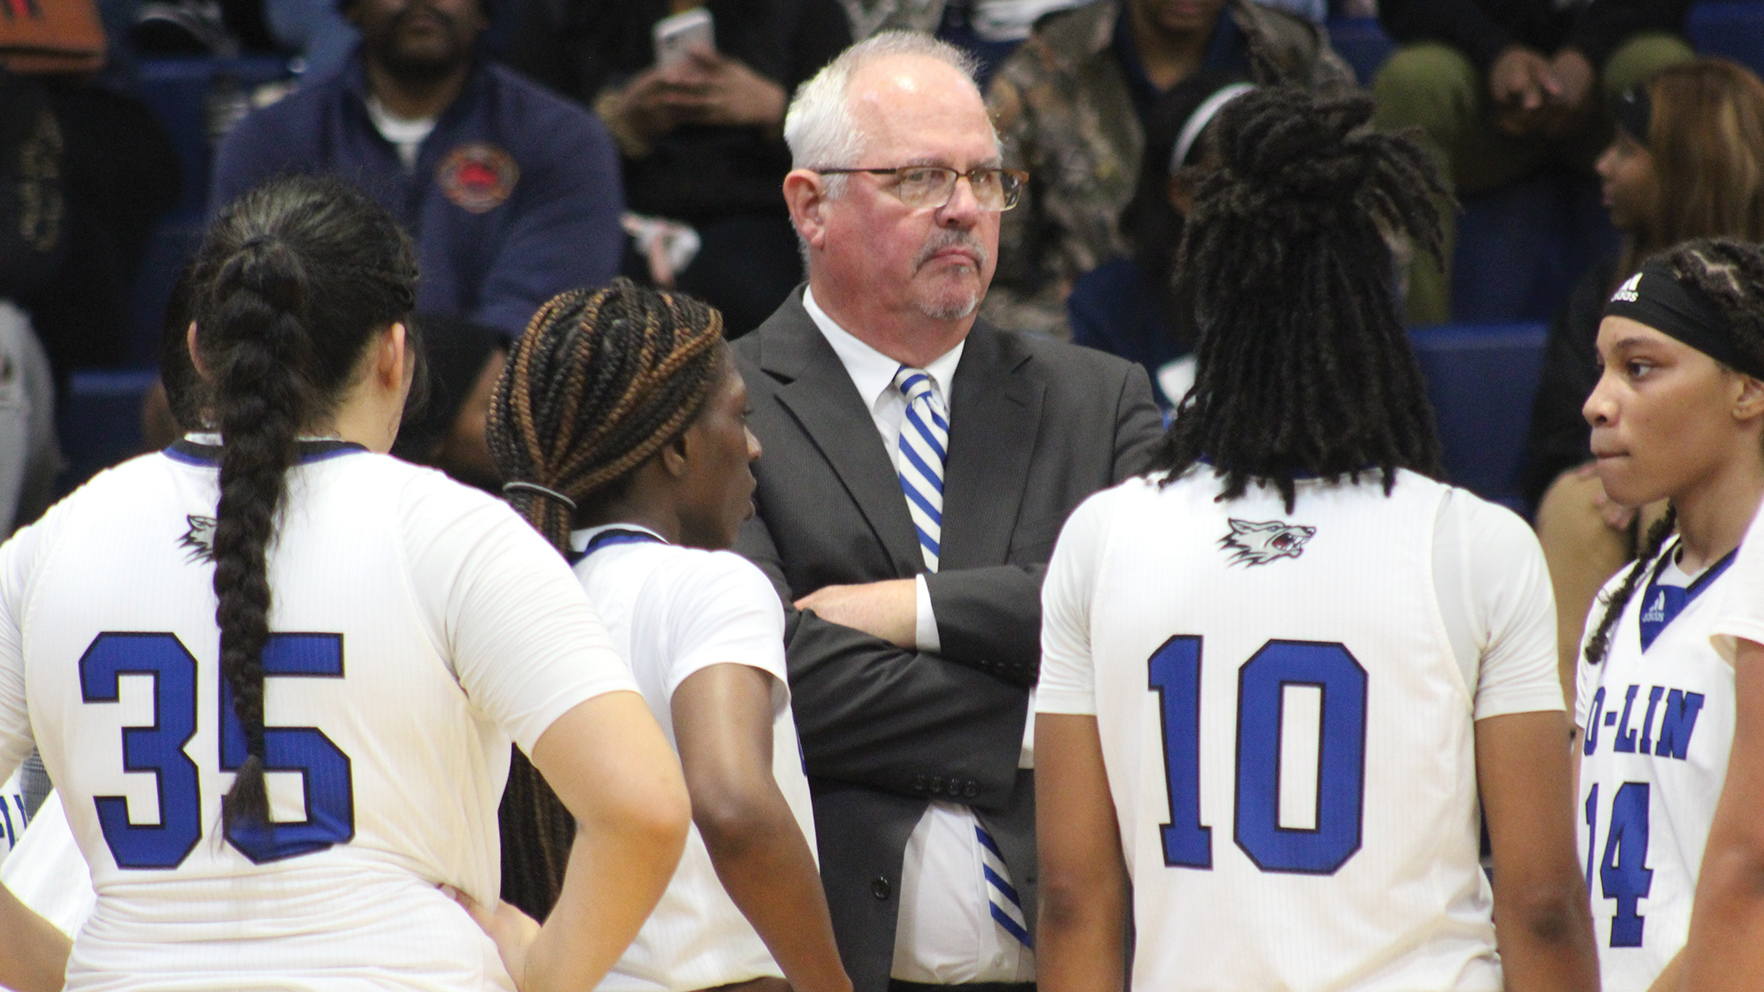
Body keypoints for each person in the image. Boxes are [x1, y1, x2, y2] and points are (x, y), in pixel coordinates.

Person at [0, 173, 690, 992]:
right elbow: (644, 807)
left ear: (199, 351)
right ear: (395, 353)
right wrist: (545, 975)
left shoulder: (52, 545)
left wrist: (64, 972)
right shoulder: (455, 535)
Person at [1034, 86, 1598, 992]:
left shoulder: (1104, 538)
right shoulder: (1476, 546)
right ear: (1374, 305)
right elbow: (1540, 903)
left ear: (1215, 301)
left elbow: (1071, 898)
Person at [734, 32, 1165, 992]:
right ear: (810, 205)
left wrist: (911, 610)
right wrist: (1063, 722)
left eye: (986, 178)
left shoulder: (1100, 400)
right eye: (922, 178)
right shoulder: (721, 407)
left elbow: (1150, 625)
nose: (966, 208)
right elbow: (777, 684)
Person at [488, 280, 852, 992]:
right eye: (740, 416)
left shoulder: (500, 597)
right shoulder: (712, 585)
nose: (754, 448)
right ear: (679, 447)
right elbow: (733, 804)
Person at [1523, 58, 1764, 707]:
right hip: (1622, 521)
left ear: (1690, 165)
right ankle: (1576, 732)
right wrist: (1628, 466)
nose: (1603, 165)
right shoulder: (1602, 292)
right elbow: (1551, 442)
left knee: (1670, 503)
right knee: (1575, 506)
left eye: (1628, 150)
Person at [1569, 239, 1764, 992]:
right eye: (1601, 368)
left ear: (1747, 390)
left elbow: (1751, 881)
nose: (1597, 402)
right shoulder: (1617, 603)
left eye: (1639, 368)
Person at [210, 0, 625, 340]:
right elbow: (249, 307)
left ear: (484, 10)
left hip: (496, 395)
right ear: (351, 8)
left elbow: (539, 322)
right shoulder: (267, 141)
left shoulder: (564, 140)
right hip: (321, 390)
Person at [983, 0, 1351, 338]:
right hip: (1085, 345)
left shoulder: (1294, 56)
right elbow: (982, 276)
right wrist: (1079, 337)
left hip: (1269, 335)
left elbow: (1362, 232)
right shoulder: (1049, 65)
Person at [509, 0, 850, 338]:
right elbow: (528, 138)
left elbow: (847, 142)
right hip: (615, 214)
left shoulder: (802, 10)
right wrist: (616, 122)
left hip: (760, 214)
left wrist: (777, 110)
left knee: (752, 293)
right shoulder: (562, 13)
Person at [1372, 0, 1694, 325]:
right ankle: (1416, 337)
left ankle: (1678, 324)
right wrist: (1495, 53)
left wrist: (1587, 53)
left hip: (1604, 93)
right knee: (1411, 80)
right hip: (1484, 93)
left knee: (1665, 69)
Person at [1065, 71, 1250, 406]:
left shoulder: (1329, 298)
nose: (1264, 197)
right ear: (1182, 192)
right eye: (1238, 178)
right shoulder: (1112, 306)